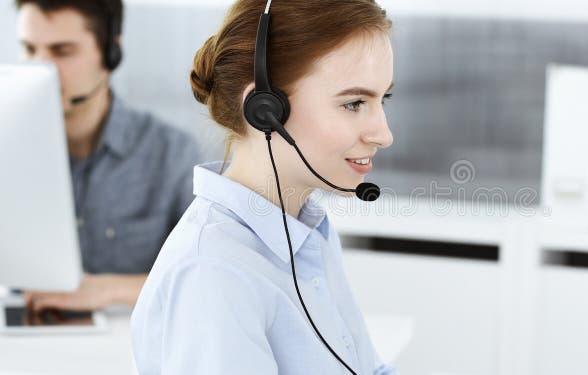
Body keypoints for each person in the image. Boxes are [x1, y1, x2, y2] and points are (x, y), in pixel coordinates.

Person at [130, 0, 397, 373]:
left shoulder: (308, 233)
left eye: (382, 98)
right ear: (265, 111)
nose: (383, 134)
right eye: (354, 103)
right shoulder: (214, 273)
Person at [15, 0, 201, 311]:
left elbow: (206, 275)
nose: (40, 68)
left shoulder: (172, 154)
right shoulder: (11, 149)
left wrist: (109, 290)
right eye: (30, 49)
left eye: (62, 51)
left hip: (127, 349)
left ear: (110, 54)